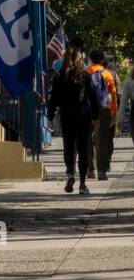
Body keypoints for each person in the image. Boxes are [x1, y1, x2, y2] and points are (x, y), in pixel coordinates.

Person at [47, 47, 100, 194]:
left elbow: (53, 99)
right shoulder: (84, 76)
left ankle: (70, 173)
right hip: (83, 115)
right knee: (83, 148)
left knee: (69, 147)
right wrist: (95, 117)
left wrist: (50, 116)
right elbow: (93, 97)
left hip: (66, 116)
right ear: (79, 60)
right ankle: (82, 184)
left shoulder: (59, 77)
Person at [85, 50, 118, 180]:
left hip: (88, 111)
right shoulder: (108, 74)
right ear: (102, 61)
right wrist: (114, 113)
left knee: (87, 140)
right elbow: (114, 95)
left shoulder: (86, 73)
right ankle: (102, 171)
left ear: (91, 60)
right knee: (102, 141)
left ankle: (91, 169)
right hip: (104, 111)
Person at [117, 68, 134, 142]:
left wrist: (119, 120)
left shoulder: (129, 82)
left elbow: (123, 102)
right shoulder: (129, 82)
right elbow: (123, 102)